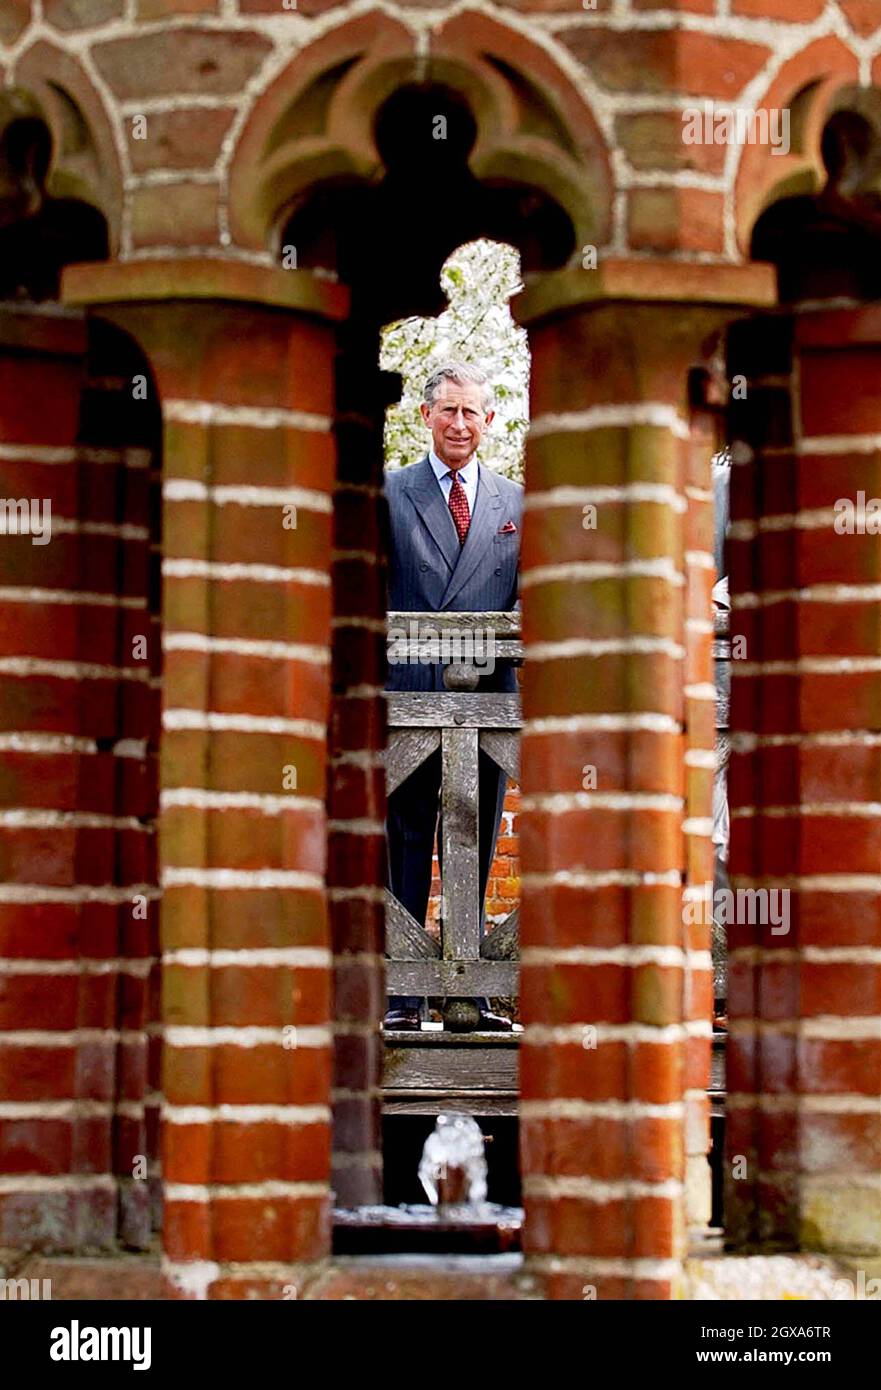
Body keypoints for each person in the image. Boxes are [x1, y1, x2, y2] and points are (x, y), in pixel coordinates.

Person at [383, 361, 523, 1032]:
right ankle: (403, 997)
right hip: (406, 698)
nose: (460, 424)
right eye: (448, 412)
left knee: (476, 839)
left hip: (489, 703)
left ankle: (471, 1000)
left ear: (488, 420)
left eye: (472, 413)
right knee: (406, 840)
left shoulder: (515, 502)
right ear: (425, 417)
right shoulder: (388, 495)